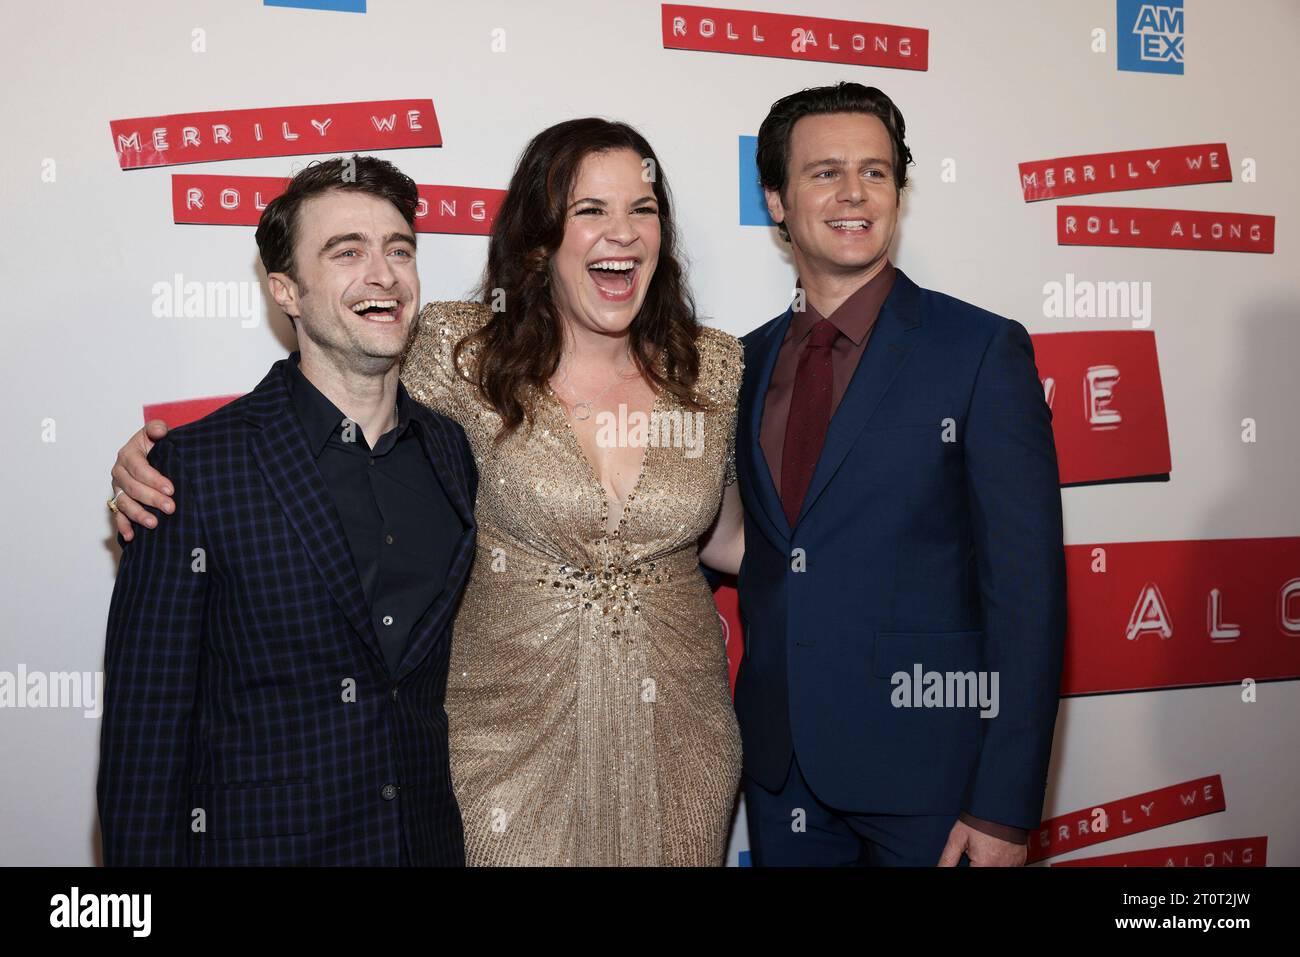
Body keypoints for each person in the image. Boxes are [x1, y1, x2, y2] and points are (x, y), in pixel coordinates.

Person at [107, 119, 746, 866]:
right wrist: (148, 469)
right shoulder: (459, 356)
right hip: (505, 752)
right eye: (590, 210)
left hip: (677, 734)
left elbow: (736, 534)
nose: (624, 231)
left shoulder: (713, 368)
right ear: (541, 240)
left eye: (642, 208)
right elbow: (332, 387)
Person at [98, 156, 477, 866]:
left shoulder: (451, 453)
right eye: (347, 252)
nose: (384, 273)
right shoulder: (191, 469)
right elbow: (144, 742)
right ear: (286, 291)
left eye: (400, 249)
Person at [733, 82, 1067, 866]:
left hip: (935, 786)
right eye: (824, 173)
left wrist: (1005, 809)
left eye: (876, 172)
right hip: (783, 779)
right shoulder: (740, 365)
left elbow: (1028, 596)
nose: (854, 193)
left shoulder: (979, 351)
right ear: (777, 200)